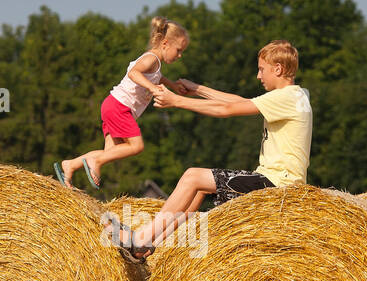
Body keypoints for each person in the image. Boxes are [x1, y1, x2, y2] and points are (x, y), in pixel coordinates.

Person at [112, 40, 311, 258]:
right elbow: (240, 101)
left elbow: (228, 109)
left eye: (262, 69)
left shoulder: (286, 97)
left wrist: (176, 101)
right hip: (279, 181)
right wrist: (198, 89)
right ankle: (150, 244)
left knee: (192, 177)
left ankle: (140, 240)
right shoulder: (297, 95)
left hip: (276, 184)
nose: (258, 76)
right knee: (199, 188)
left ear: (278, 69)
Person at [55, 16, 190, 188]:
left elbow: (157, 77)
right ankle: (94, 161)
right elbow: (134, 73)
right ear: (165, 44)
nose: (180, 55)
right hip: (120, 107)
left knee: (111, 153)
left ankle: (71, 165)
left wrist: (173, 85)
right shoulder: (151, 59)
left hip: (113, 105)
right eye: (178, 50)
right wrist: (153, 88)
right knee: (136, 146)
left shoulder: (155, 64)